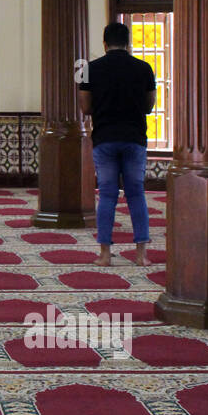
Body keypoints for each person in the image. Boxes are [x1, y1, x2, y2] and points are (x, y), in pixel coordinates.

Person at [79, 21, 157, 266]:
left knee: (108, 194)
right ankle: (141, 255)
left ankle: (104, 255)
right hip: (134, 138)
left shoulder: (90, 69)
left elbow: (85, 106)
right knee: (136, 194)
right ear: (128, 43)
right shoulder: (144, 68)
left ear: (104, 44)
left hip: (104, 139)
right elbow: (149, 105)